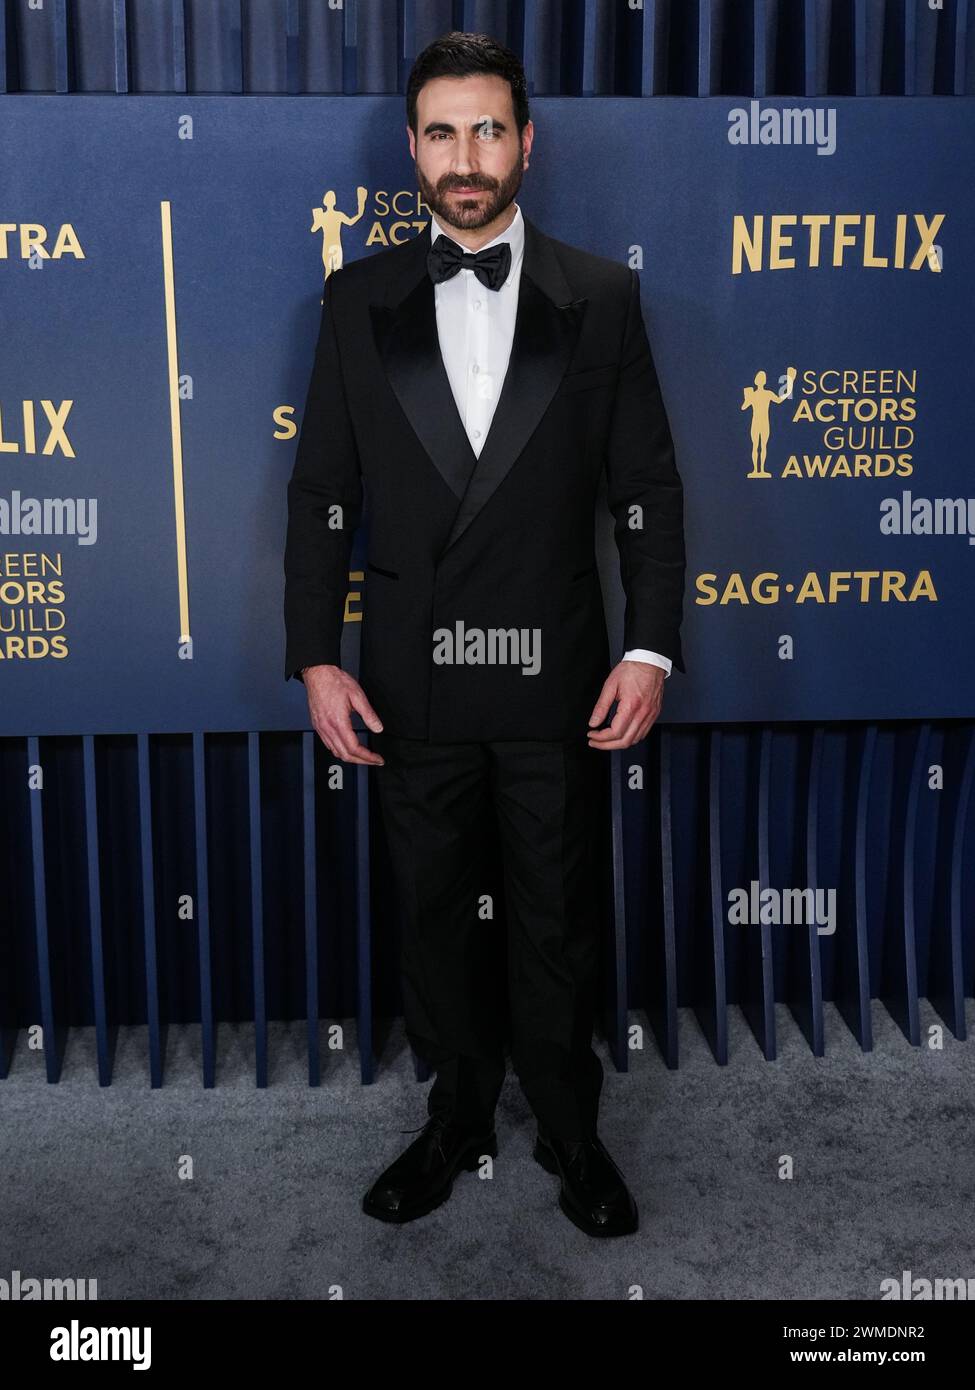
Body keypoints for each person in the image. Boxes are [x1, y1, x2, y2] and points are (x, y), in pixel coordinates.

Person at [283, 31, 686, 1237]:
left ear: (527, 142)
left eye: (491, 129)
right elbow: (323, 494)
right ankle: (454, 1119)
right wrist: (315, 654)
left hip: (556, 674)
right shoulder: (357, 300)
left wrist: (648, 647)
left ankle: (571, 1130)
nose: (470, 156)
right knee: (433, 914)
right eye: (445, 132)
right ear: (411, 149)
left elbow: (648, 492)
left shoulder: (600, 295)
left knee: (558, 917)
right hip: (410, 684)